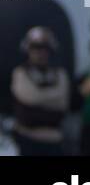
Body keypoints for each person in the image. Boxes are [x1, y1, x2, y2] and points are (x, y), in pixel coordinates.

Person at [10, 27, 69, 156]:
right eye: (35, 48)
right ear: (28, 50)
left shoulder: (61, 74)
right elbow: (30, 98)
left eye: (44, 48)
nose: (40, 52)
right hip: (28, 142)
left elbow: (62, 104)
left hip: (54, 144)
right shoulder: (20, 73)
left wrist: (39, 101)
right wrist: (51, 99)